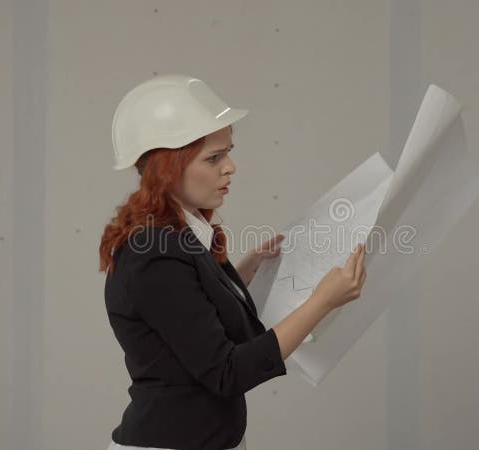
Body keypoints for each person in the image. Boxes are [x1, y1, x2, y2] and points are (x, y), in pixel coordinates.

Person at [99, 74, 367, 450]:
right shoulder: (154, 254)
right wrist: (321, 302)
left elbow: (193, 316)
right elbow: (227, 372)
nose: (231, 167)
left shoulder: (174, 235)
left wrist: (243, 271)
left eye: (228, 151)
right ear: (167, 169)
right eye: (214, 157)